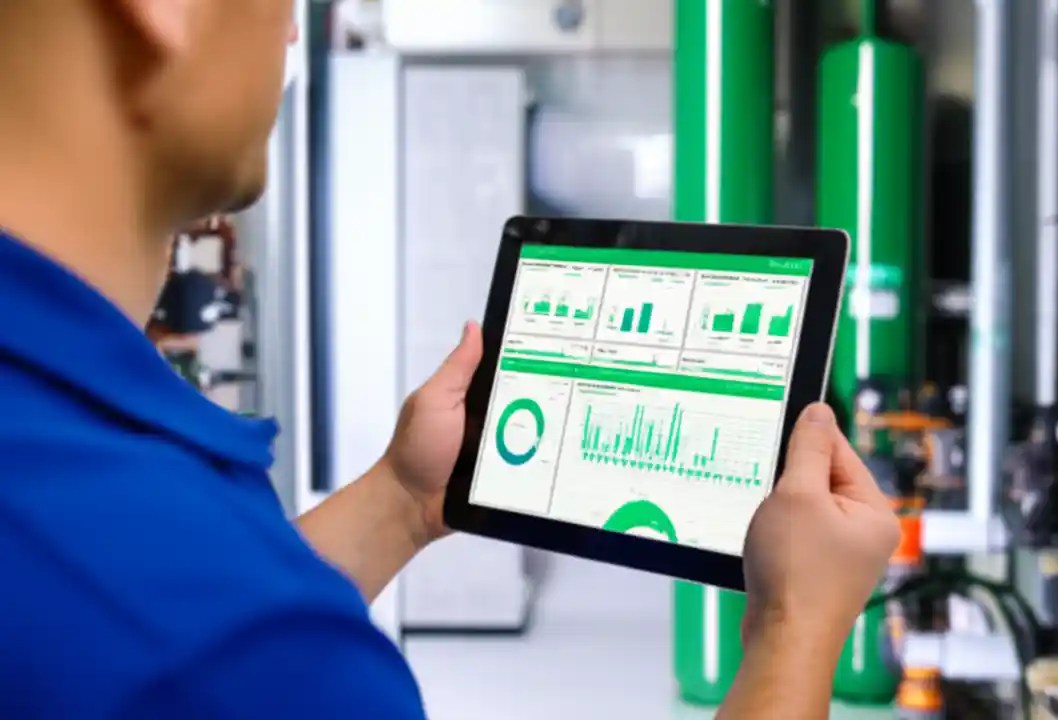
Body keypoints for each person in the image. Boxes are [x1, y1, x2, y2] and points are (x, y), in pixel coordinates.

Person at [0, 1, 901, 718]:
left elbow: (194, 603)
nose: (290, 31)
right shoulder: (232, 659)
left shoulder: (63, 470)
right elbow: (217, 648)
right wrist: (794, 624)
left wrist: (403, 498)